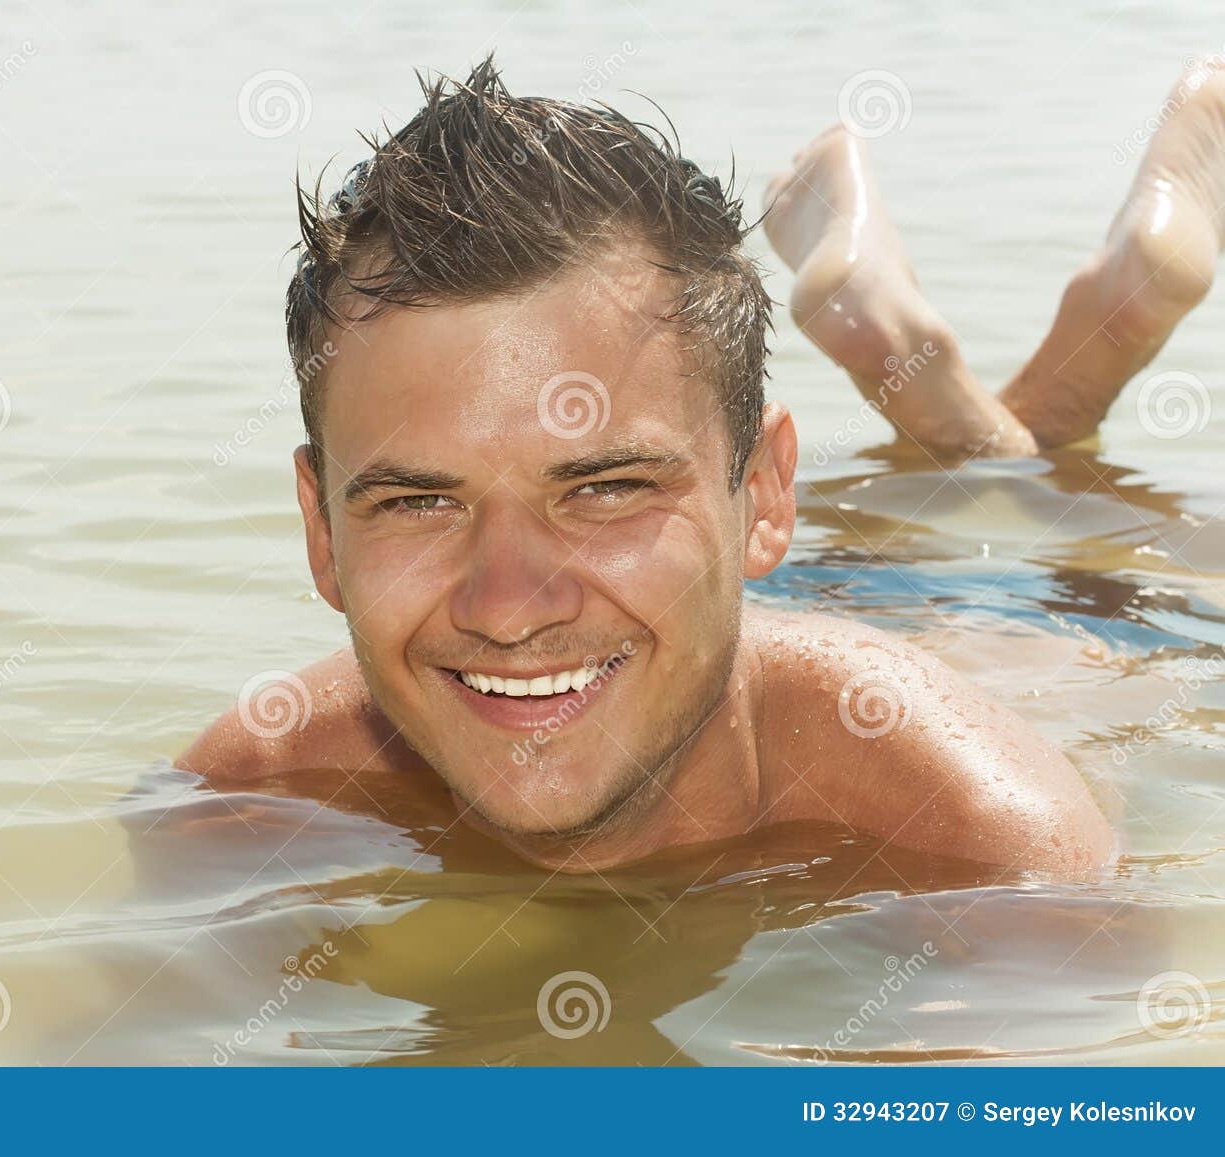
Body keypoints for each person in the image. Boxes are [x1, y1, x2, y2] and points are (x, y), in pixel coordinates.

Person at [180, 55, 1225, 874]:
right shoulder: (256, 792)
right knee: (997, 469)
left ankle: (961, 331)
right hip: (756, 616)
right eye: (419, 501)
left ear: (766, 495)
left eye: (603, 488)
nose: (507, 608)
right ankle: (938, 323)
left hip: (1071, 629)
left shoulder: (980, 835)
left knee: (1057, 525)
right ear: (321, 533)